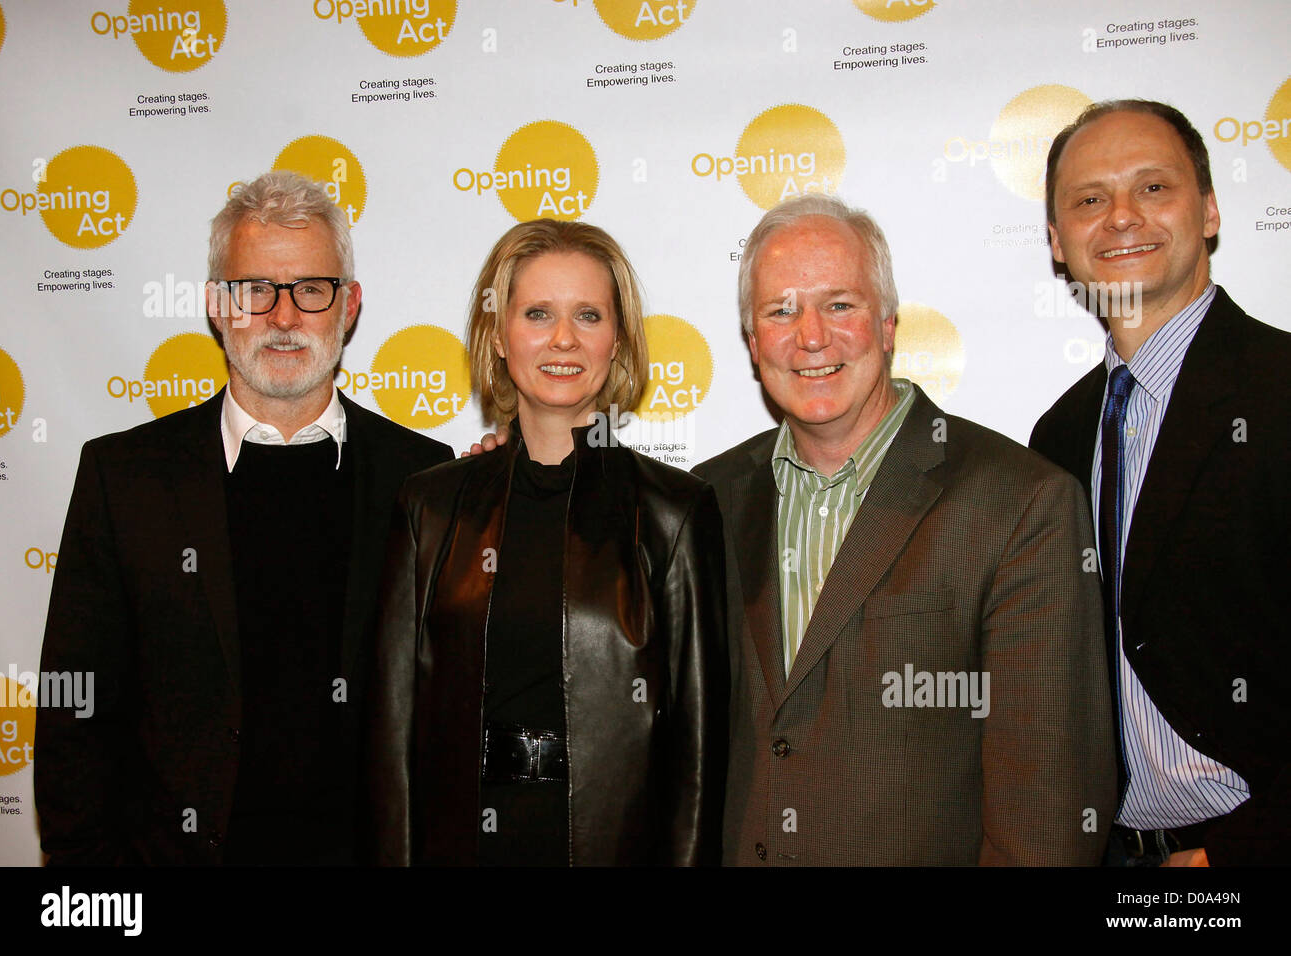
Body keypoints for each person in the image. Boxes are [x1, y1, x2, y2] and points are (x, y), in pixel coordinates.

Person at [34, 170, 453, 865]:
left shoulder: (425, 478)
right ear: (216, 306)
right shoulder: (125, 478)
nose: (283, 317)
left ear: (348, 306)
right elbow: (73, 710)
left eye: (310, 290)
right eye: (254, 289)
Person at [692, 194, 1115, 865]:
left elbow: (1046, 810)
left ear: (888, 325)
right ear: (751, 342)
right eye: (781, 310)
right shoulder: (702, 503)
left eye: (839, 304)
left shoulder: (1021, 504)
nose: (810, 336)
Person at [366, 218, 727, 866]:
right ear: (499, 335)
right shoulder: (430, 509)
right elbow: (391, 740)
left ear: (617, 341)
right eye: (538, 313)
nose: (563, 338)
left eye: (588, 315)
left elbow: (697, 762)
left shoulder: (674, 513)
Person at [1030, 99, 1291, 867]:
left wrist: (1241, 852)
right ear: (1056, 240)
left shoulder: (1282, 392)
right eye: (1088, 199)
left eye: (1152, 188)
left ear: (1209, 211)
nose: (1119, 218)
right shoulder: (1059, 436)